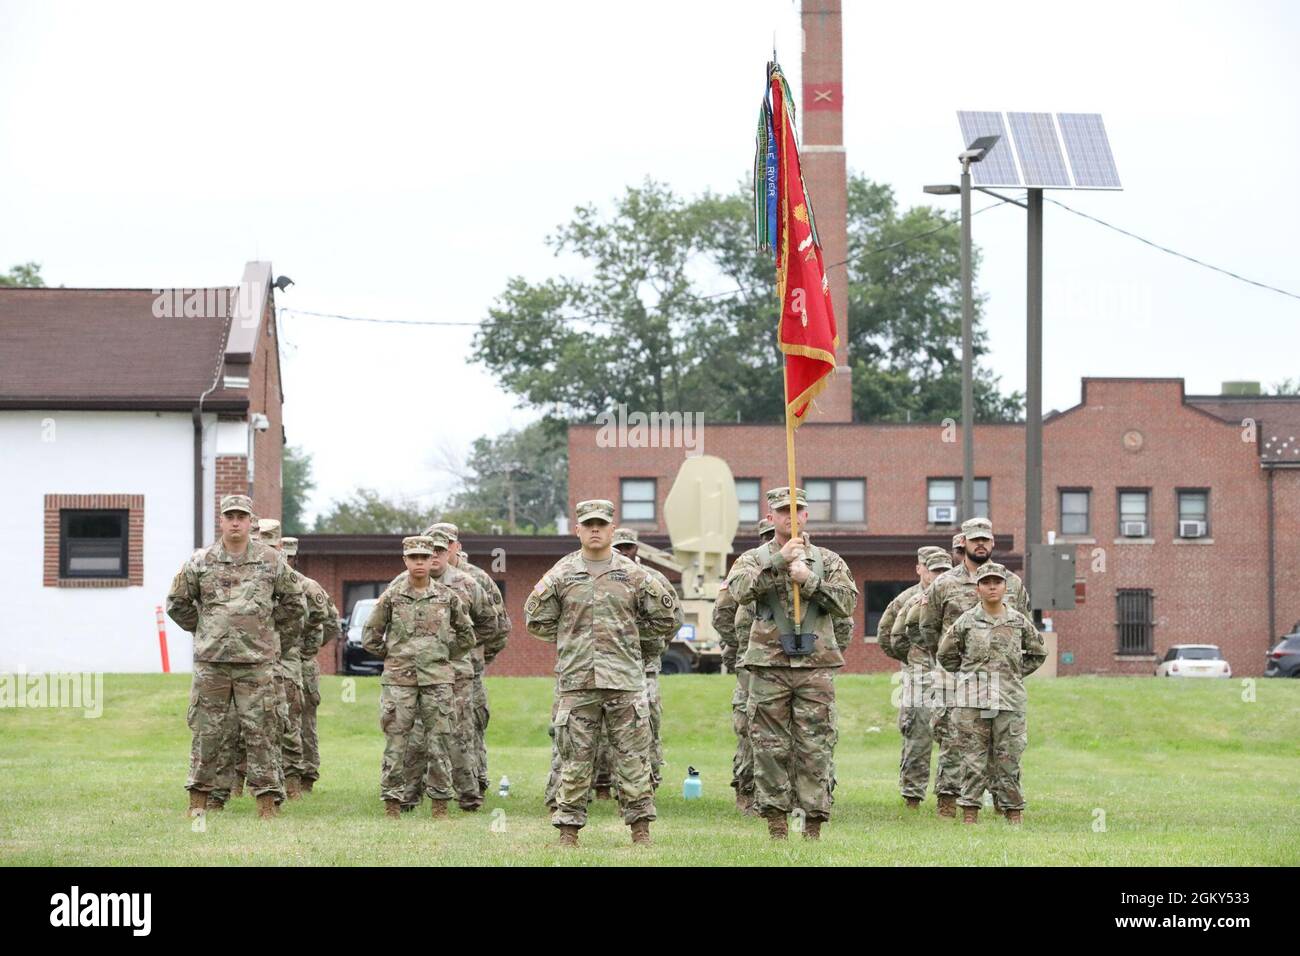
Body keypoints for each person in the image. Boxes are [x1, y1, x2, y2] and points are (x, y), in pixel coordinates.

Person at [525, 499, 679, 847]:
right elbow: (536, 619)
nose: (595, 530)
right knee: (575, 759)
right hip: (578, 681)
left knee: (633, 759)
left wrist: (632, 643)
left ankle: (641, 830)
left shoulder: (636, 575)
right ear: (577, 529)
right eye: (588, 524)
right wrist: (572, 639)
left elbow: (666, 619)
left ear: (612, 529)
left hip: (624, 681)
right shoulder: (561, 574)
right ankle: (568, 832)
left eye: (601, 524)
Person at [723, 487, 857, 841]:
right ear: (771, 518)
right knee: (769, 747)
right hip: (769, 665)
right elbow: (739, 592)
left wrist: (809, 580)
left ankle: (813, 821)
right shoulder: (753, 559)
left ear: (806, 515)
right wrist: (778, 563)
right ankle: (776, 822)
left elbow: (847, 603)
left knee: (815, 745)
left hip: (815, 666)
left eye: (797, 510)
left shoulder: (828, 560)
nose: (790, 516)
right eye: (783, 511)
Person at [166, 495, 305, 820]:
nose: (235, 521)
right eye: (230, 515)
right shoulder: (201, 561)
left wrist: (265, 630)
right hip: (212, 664)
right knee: (207, 732)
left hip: (256, 664)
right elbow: (177, 603)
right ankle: (198, 802)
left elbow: (294, 603)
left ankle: (267, 804)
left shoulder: (271, 560)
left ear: (250, 521)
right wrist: (206, 630)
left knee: (263, 732)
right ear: (222, 520)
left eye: (241, 516)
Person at [918, 517, 1031, 818]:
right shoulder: (944, 583)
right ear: (963, 543)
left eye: (986, 539)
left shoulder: (1012, 583)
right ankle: (948, 800)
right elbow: (928, 628)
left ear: (992, 544)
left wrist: (1012, 669)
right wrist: (955, 666)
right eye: (974, 539)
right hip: (955, 676)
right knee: (954, 739)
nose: (980, 544)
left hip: (1000, 678)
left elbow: (1024, 628)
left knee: (1003, 742)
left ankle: (1002, 802)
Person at [362, 534, 476, 819]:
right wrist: (394, 655)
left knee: (440, 741)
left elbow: (466, 635)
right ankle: (392, 802)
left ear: (432, 559)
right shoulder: (392, 596)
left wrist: (441, 655)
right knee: (397, 742)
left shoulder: (447, 597)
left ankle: (439, 804)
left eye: (425, 557)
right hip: (399, 681)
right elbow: (370, 635)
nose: (420, 563)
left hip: (437, 680)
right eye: (414, 558)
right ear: (405, 560)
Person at [389, 531, 496, 813]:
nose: (433, 556)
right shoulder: (400, 585)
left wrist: (469, 655)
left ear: (450, 551)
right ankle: (408, 797)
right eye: (428, 551)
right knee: (414, 738)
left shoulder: (467, 583)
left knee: (458, 735)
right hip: (412, 675)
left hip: (457, 674)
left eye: (439, 550)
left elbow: (491, 624)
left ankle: (468, 796)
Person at [937, 562, 1046, 824]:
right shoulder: (966, 621)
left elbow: (1038, 653)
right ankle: (970, 813)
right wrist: (968, 677)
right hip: (972, 701)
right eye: (986, 582)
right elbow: (946, 654)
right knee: (973, 759)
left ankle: (1013, 812)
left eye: (997, 582)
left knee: (1008, 758)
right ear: (978, 588)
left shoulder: (1018, 621)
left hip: (1009, 700)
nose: (992, 586)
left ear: (1005, 587)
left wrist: (1013, 673)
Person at [589, 527, 683, 798]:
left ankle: (644, 786)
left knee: (646, 724)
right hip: (604, 665)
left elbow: (672, 619)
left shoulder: (653, 579)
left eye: (628, 546)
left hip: (644, 666)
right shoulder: (597, 577)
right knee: (602, 728)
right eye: (619, 547)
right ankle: (602, 783)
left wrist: (650, 642)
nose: (624, 552)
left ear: (636, 549)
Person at [430, 522, 509, 801]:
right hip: (430, 670)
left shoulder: (477, 579)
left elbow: (498, 626)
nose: (440, 550)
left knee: (469, 726)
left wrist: (477, 655)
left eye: (446, 544)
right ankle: (434, 787)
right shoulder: (420, 579)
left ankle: (477, 783)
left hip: (467, 669)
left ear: (456, 546)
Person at [714, 518, 775, 815]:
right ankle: (747, 792)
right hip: (752, 665)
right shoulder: (746, 570)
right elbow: (722, 612)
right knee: (750, 730)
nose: (771, 540)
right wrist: (740, 647)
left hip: (795, 663)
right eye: (767, 536)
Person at [886, 549, 952, 808]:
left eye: (945, 571)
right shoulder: (908, 600)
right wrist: (912, 659)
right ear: (921, 569)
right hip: (920, 676)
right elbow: (890, 636)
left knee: (953, 733)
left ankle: (949, 795)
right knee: (918, 733)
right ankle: (912, 795)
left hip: (950, 676)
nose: (940, 576)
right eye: (935, 570)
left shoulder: (955, 598)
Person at [281, 536, 340, 793]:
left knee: (304, 722)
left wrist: (308, 647)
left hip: (302, 663)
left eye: (289, 556)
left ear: (295, 558)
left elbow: (330, 622)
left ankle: (305, 776)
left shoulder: (308, 587)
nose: (286, 560)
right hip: (274, 661)